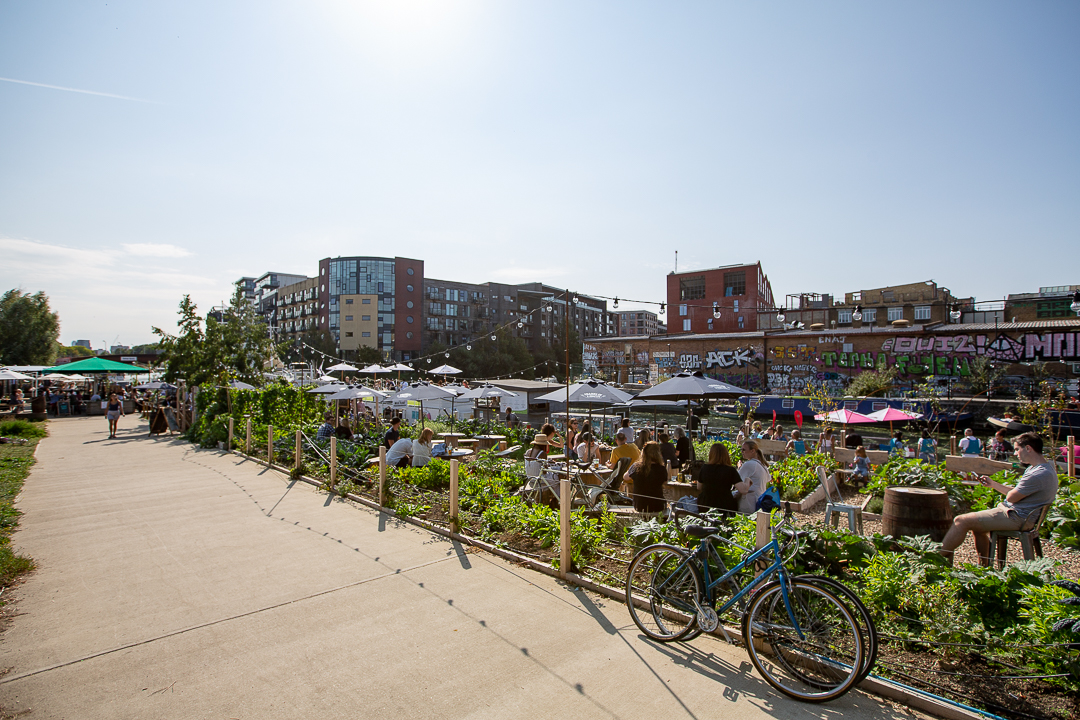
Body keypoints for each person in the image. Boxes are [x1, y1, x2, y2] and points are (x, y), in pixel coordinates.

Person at [940, 433, 1058, 566]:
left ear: (1028, 448)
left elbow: (1012, 497)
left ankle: (936, 557)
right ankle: (984, 567)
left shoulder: (1038, 474)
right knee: (977, 526)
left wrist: (1003, 491)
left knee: (961, 520)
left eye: (1017, 449)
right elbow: (1018, 492)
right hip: (1021, 515)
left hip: (1016, 517)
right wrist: (993, 484)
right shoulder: (1042, 469)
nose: (1015, 453)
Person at [696, 443, 740, 514]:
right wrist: (748, 480)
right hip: (724, 504)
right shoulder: (730, 470)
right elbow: (742, 489)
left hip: (706, 504)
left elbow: (699, 487)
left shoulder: (705, 468)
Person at [625, 441, 667, 515]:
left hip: (639, 506)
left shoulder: (636, 467)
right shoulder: (661, 469)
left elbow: (625, 477)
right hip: (657, 506)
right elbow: (665, 483)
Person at [734, 439, 770, 514]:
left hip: (749, 502)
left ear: (752, 451)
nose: (742, 452)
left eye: (744, 450)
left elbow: (735, 480)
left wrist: (739, 467)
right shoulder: (762, 465)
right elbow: (768, 479)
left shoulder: (750, 464)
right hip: (759, 501)